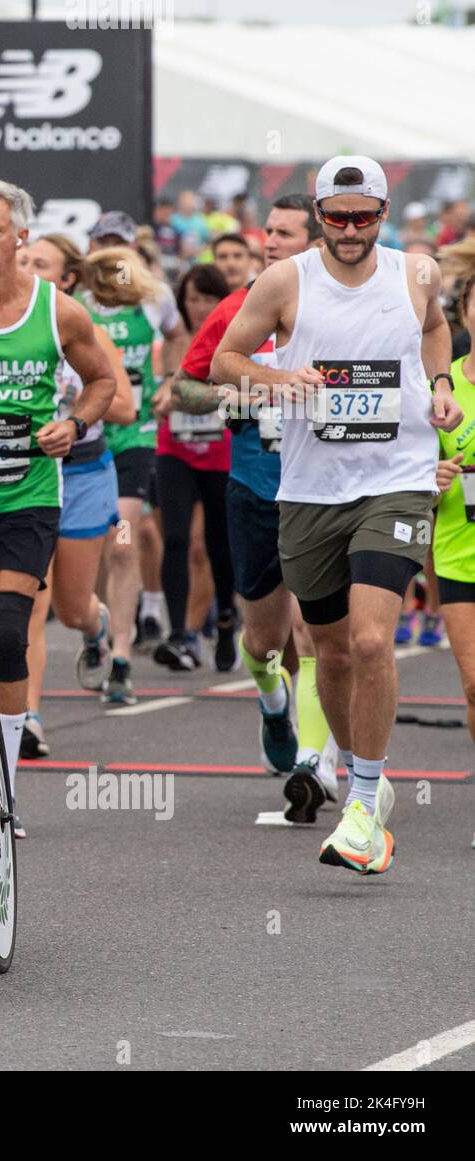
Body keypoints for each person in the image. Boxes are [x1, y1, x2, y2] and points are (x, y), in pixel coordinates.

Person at [213, 156, 463, 871]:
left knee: (373, 639)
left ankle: (362, 804)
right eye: (337, 216)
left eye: (366, 216)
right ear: (319, 213)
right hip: (310, 489)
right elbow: (223, 363)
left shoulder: (415, 274)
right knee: (329, 648)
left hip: (399, 480)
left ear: (386, 213)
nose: (350, 230)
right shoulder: (286, 280)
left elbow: (436, 329)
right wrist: (276, 376)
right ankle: (357, 769)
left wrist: (440, 384)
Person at [0, 184, 116, 838]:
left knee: (8, 634)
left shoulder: (56, 310)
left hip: (29, 496)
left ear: (21, 237)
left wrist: (73, 424)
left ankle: (0, 792)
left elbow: (104, 383)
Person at [169, 195, 332, 809]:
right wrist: (233, 397)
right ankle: (271, 702)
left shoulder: (340, 309)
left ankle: (314, 763)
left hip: (323, 488)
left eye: (283, 232)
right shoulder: (240, 308)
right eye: (266, 230)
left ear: (316, 242)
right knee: (265, 641)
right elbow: (186, 385)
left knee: (316, 634)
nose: (268, 241)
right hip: (255, 486)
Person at [17, 235, 135, 757]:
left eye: (39, 265)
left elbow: (126, 407)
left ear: (67, 280)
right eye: (23, 262)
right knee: (28, 604)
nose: (25, 270)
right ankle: (29, 719)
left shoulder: (75, 323)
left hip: (84, 473)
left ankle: (98, 624)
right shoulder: (1, 325)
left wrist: (74, 407)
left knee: (70, 608)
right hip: (28, 475)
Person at [79, 244, 187, 704]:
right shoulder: (78, 307)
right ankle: (94, 623)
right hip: (89, 438)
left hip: (136, 437)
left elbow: (180, 335)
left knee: (122, 541)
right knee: (95, 545)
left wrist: (170, 380)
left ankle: (120, 657)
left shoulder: (156, 298)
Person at [150, 263, 236, 672]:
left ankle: (223, 623)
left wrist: (198, 395)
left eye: (208, 299)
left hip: (220, 450)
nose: (200, 308)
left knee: (218, 543)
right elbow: (159, 381)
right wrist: (164, 392)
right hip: (175, 449)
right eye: (193, 300)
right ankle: (179, 633)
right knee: (177, 540)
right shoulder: (174, 336)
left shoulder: (233, 330)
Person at [433, 275, 475, 747]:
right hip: (458, 555)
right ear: (466, 312)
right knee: (474, 686)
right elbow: (411, 476)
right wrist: (433, 478)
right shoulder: (441, 391)